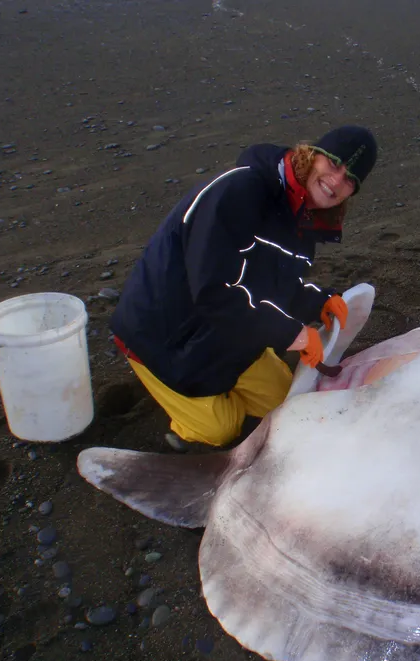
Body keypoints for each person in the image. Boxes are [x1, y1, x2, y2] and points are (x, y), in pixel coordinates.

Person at [109, 125, 379, 452]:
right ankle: (185, 415)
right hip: (165, 335)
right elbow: (212, 291)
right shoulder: (240, 191)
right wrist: (289, 334)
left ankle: (213, 391)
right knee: (222, 428)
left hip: (225, 332)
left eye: (350, 179)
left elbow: (272, 282)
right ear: (313, 154)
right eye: (334, 164)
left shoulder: (306, 217)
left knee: (285, 402)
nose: (336, 181)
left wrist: (316, 302)